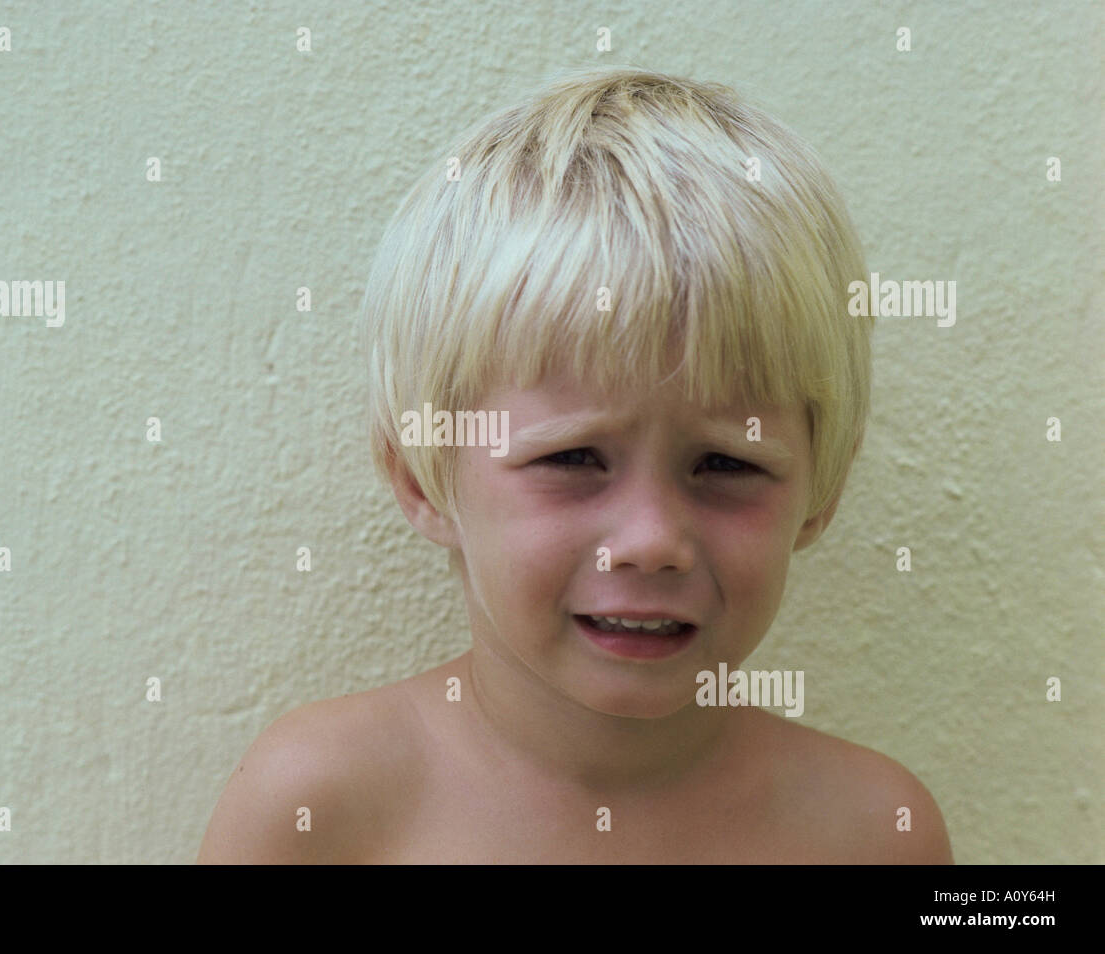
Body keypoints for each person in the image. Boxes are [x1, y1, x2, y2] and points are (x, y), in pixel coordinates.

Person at [199, 66, 953, 863]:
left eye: (725, 466)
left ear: (821, 489)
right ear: (424, 477)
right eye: (574, 457)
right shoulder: (318, 807)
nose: (652, 539)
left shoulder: (874, 833)